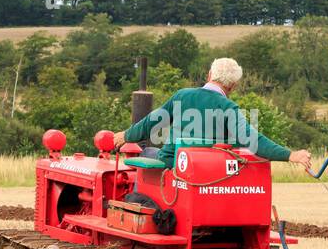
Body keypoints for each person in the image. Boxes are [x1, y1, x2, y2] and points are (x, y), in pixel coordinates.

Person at [113, 57, 313, 172]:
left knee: (147, 152)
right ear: (233, 86)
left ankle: (137, 204)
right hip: (208, 171)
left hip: (172, 165)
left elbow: (151, 122)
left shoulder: (182, 95)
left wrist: (126, 136)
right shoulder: (229, 108)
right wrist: (291, 155)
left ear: (209, 75)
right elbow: (253, 140)